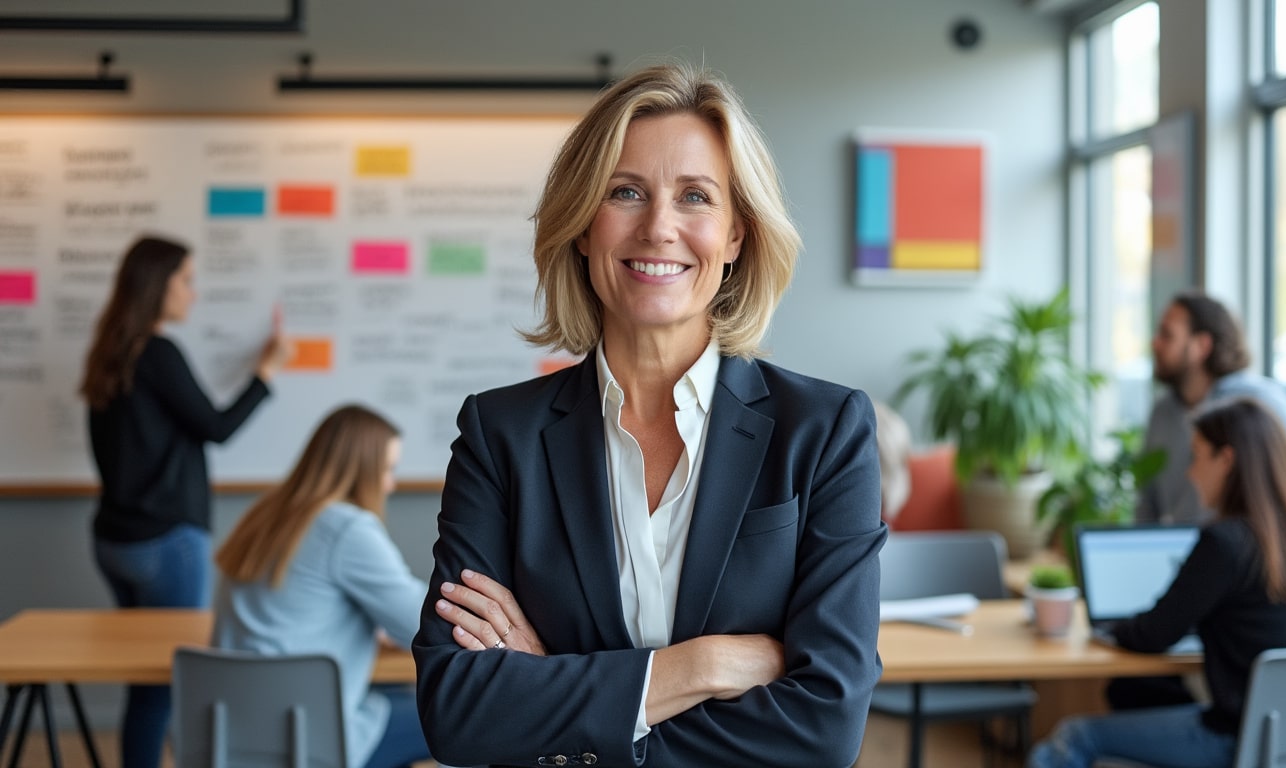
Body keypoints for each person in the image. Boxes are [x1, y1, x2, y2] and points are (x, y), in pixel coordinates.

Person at [412, 61, 885, 768]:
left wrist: (563, 698)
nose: (659, 227)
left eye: (696, 197)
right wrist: (699, 667)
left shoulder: (825, 431)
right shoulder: (498, 435)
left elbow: (825, 728)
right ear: (581, 227)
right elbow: (457, 709)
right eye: (625, 192)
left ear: (735, 237)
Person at [1029, 397, 1286, 768]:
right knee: (1138, 692)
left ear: (1226, 460)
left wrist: (1112, 629)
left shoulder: (1225, 544)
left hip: (1235, 742)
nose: (1190, 473)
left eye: (1196, 457)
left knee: (1074, 736)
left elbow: (1153, 634)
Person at [79, 234, 289, 768]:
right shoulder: (158, 352)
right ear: (158, 284)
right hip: (165, 542)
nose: (194, 294)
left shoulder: (112, 353)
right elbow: (216, 427)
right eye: (187, 281)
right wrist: (265, 371)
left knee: (144, 676)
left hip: (113, 541)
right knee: (166, 681)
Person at [212, 404, 431, 768]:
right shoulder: (346, 528)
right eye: (388, 469)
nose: (391, 484)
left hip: (232, 728)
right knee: (465, 716)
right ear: (361, 469)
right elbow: (422, 625)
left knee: (395, 695)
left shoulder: (267, 511)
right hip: (304, 734)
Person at [1137, 290, 1286, 525]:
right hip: (1187, 555)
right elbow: (1148, 501)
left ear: (1202, 345)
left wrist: (1277, 548)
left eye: (1167, 335)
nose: (1155, 343)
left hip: (1247, 556)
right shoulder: (1163, 412)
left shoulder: (1255, 404)